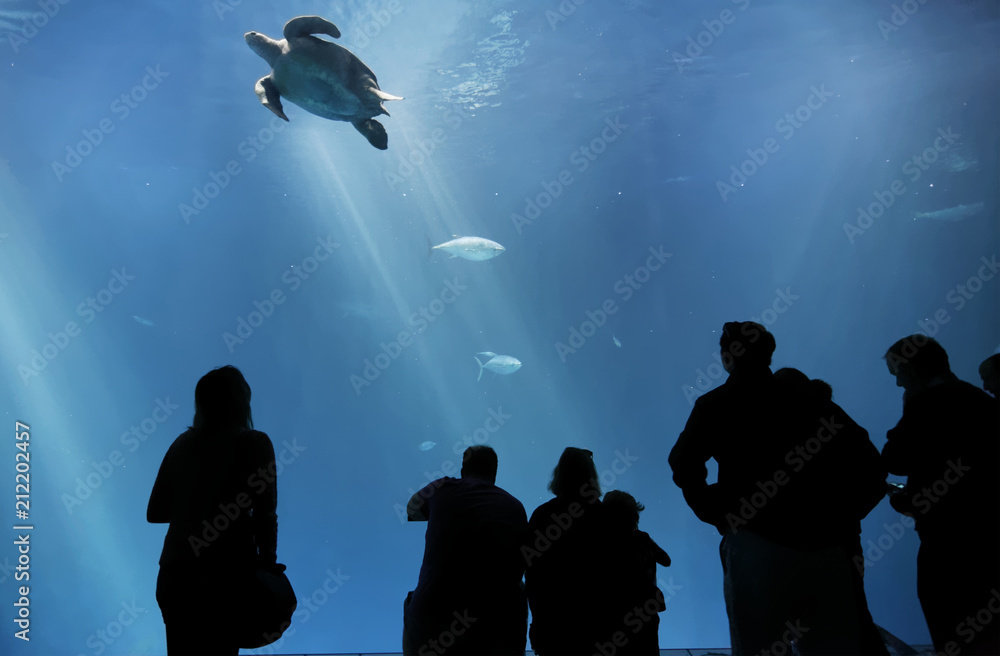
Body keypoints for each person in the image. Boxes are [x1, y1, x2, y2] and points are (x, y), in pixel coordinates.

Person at [669, 322, 886, 655]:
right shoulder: (814, 404)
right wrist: (842, 517)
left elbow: (683, 464)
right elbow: (871, 466)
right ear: (769, 354)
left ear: (728, 358)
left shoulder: (716, 403)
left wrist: (721, 513)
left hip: (756, 545)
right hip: (826, 548)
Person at [148, 365, 278, 656]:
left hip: (174, 575)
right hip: (226, 578)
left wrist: (194, 501)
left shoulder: (181, 445)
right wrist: (268, 566)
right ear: (241, 401)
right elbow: (265, 516)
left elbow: (155, 511)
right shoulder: (255, 442)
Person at [882, 336, 1000, 654]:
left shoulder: (927, 403)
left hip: (947, 547)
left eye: (896, 371)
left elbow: (895, 459)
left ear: (910, 367)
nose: (896, 382)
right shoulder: (983, 402)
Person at [403, 445, 528, 656]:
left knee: (411, 600)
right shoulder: (516, 506)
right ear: (494, 473)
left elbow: (411, 508)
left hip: (433, 622)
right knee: (520, 589)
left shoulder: (442, 487)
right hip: (497, 627)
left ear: (463, 469)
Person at [523, 447, 606, 656]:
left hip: (551, 630)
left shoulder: (542, 515)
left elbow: (531, 573)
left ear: (559, 475)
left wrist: (538, 621)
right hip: (598, 629)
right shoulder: (605, 516)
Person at [601, 490, 671, 655]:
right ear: (634, 516)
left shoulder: (603, 544)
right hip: (645, 612)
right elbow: (666, 560)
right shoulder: (642, 539)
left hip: (612, 615)